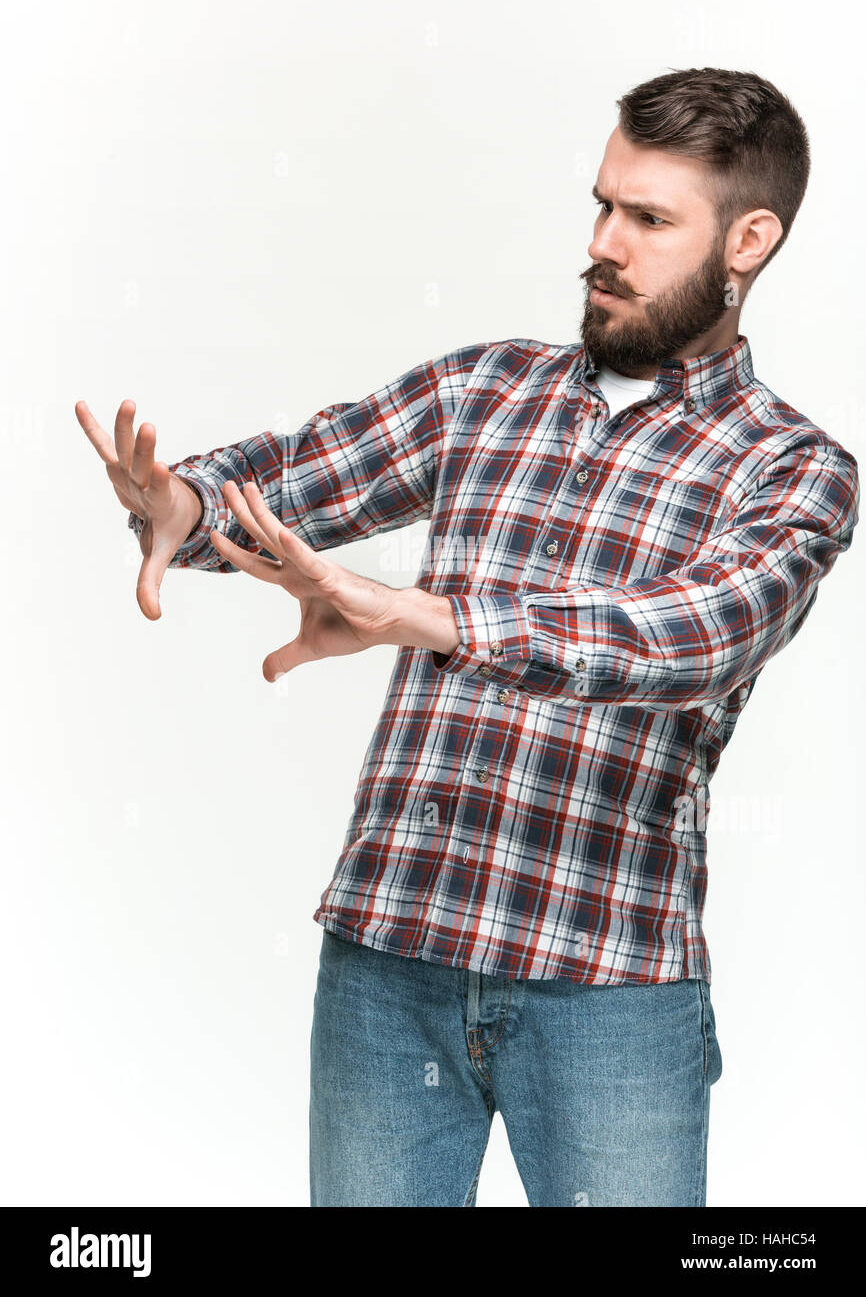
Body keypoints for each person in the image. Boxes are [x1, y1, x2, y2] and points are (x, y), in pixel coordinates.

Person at [76, 67, 859, 1207]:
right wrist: (179, 507)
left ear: (746, 241)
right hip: (389, 959)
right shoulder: (484, 389)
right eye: (600, 204)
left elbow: (687, 637)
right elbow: (296, 473)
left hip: (610, 987)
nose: (604, 241)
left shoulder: (793, 469)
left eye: (647, 220)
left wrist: (428, 616)